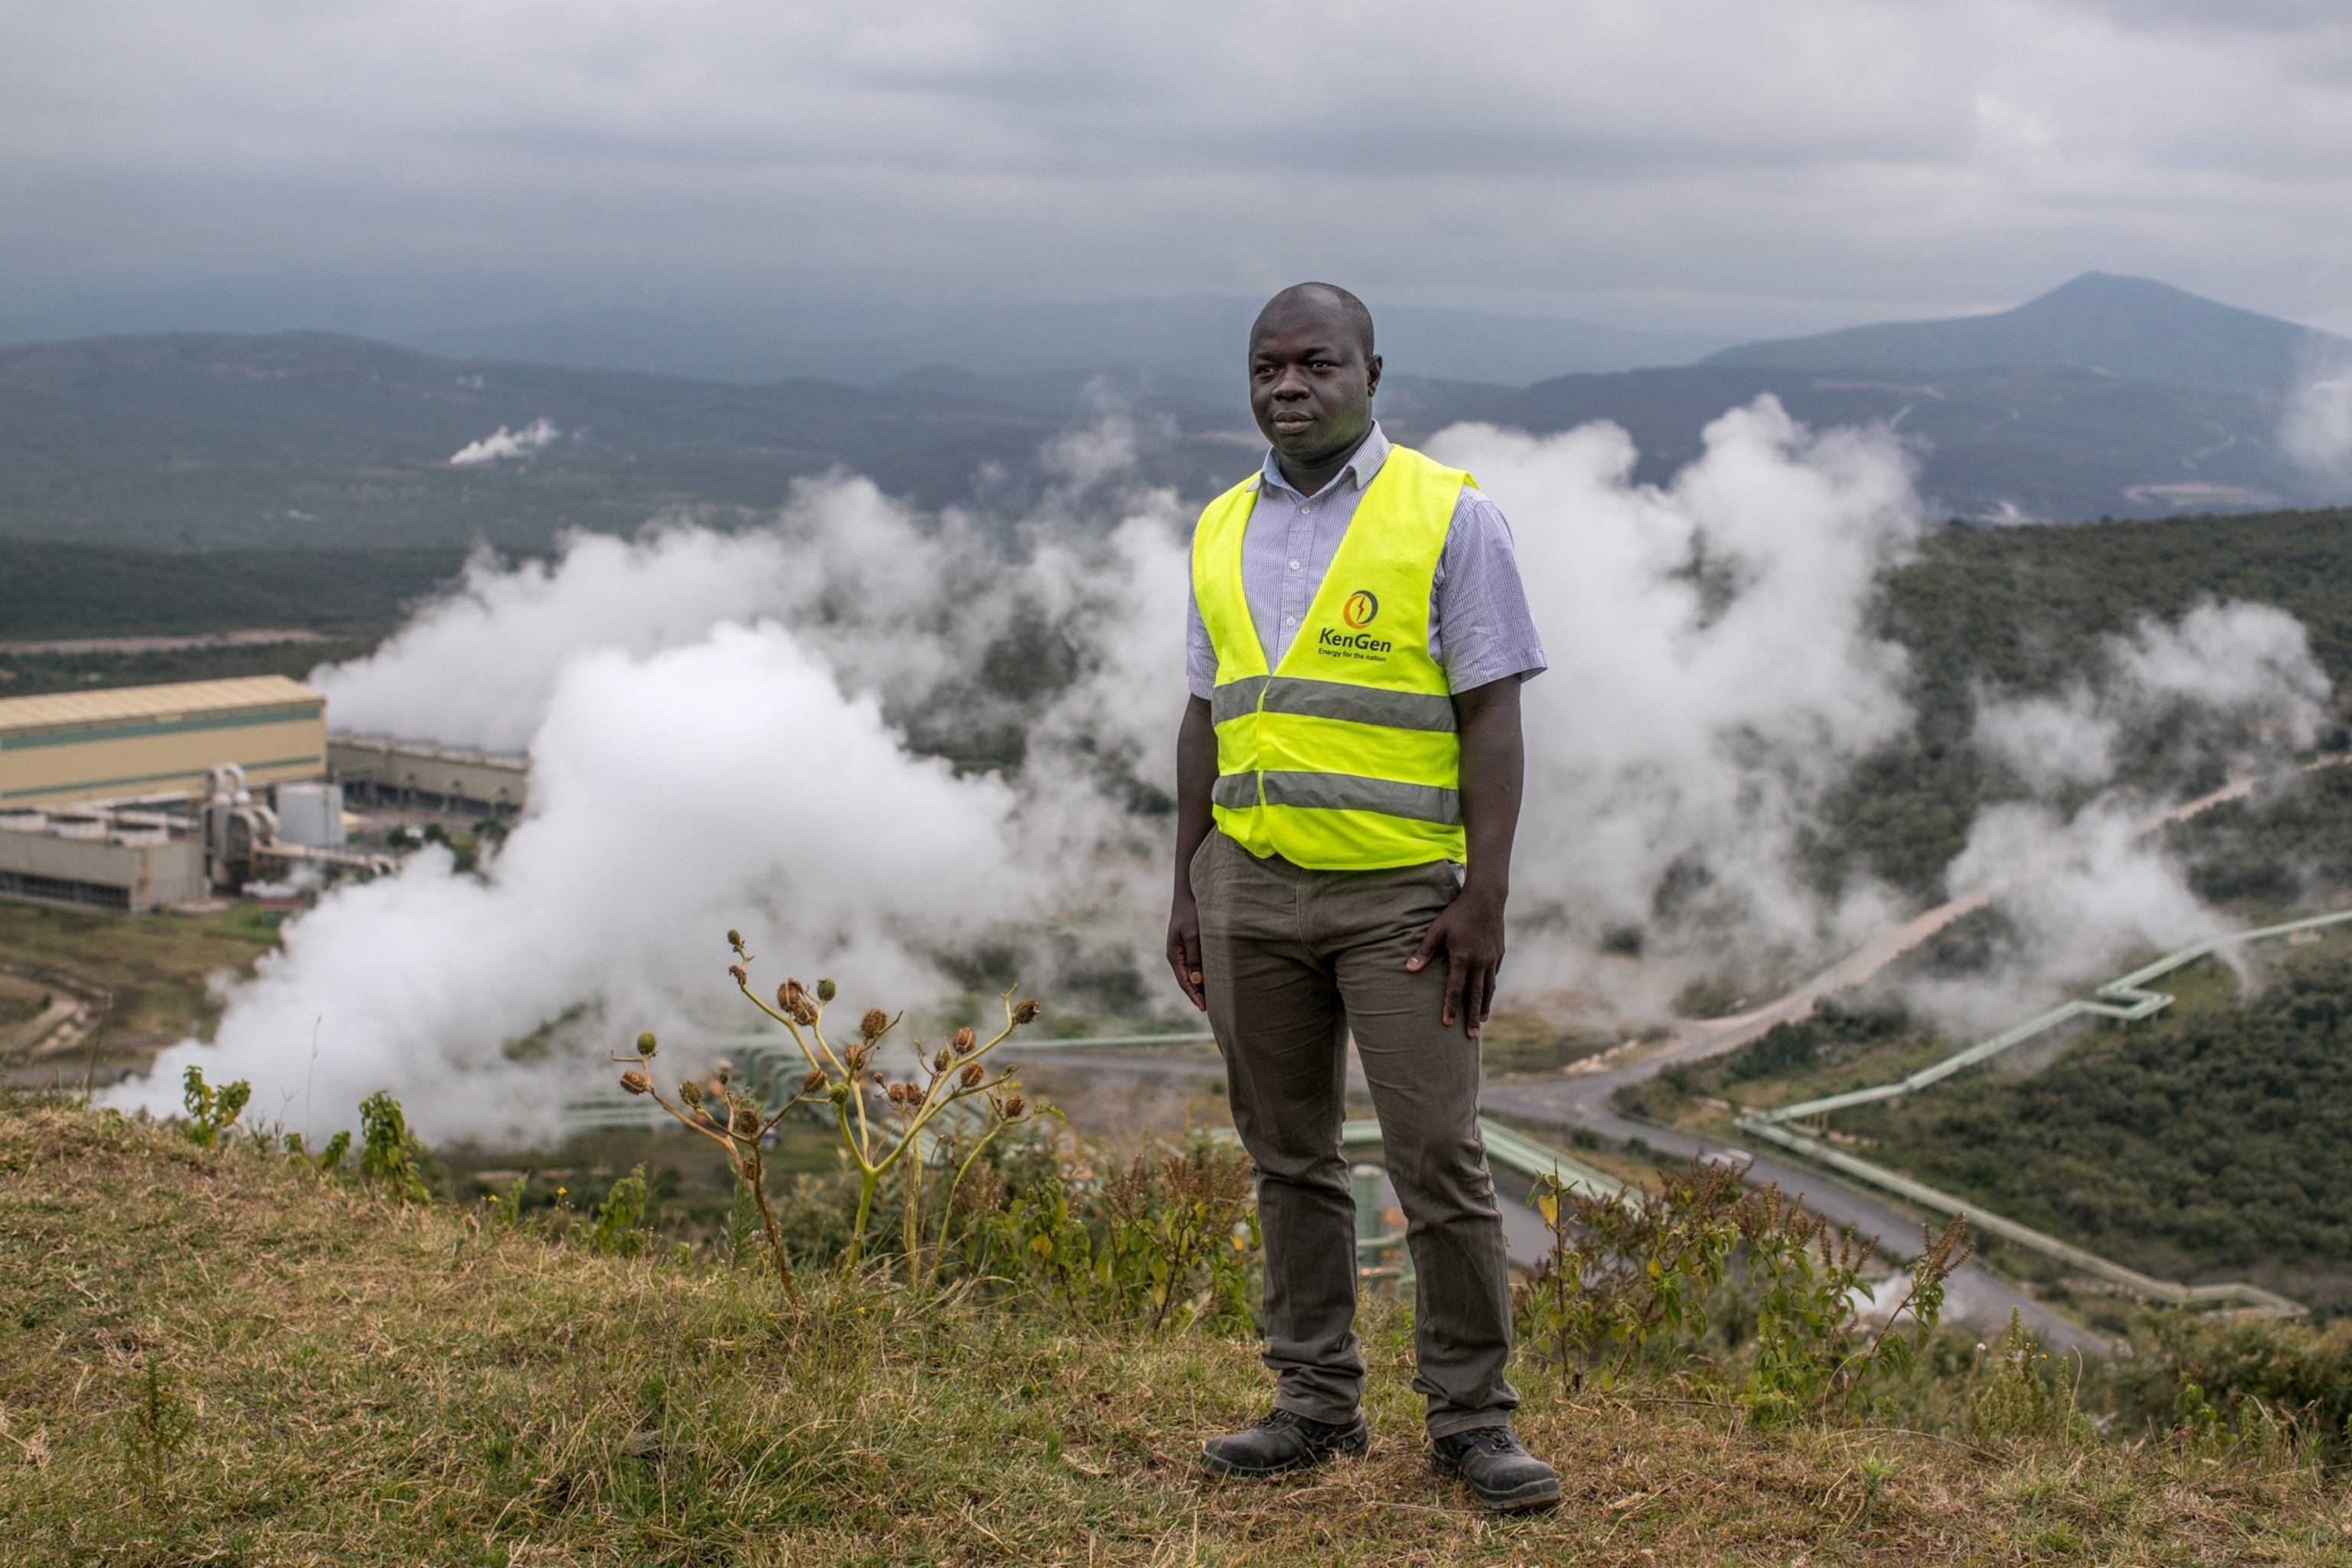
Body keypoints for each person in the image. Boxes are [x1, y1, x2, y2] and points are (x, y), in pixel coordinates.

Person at [1167, 282, 1559, 1512]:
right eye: (1267, 368)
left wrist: (1482, 894)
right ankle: (1314, 1406)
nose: (1288, 387)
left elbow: (1491, 711)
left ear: (1372, 374)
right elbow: (1206, 711)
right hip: (1249, 886)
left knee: (1437, 1156)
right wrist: (1189, 877)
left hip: (1400, 900)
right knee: (1288, 1155)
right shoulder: (1221, 523)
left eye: (1316, 365)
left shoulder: (1449, 514)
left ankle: (1473, 1424)